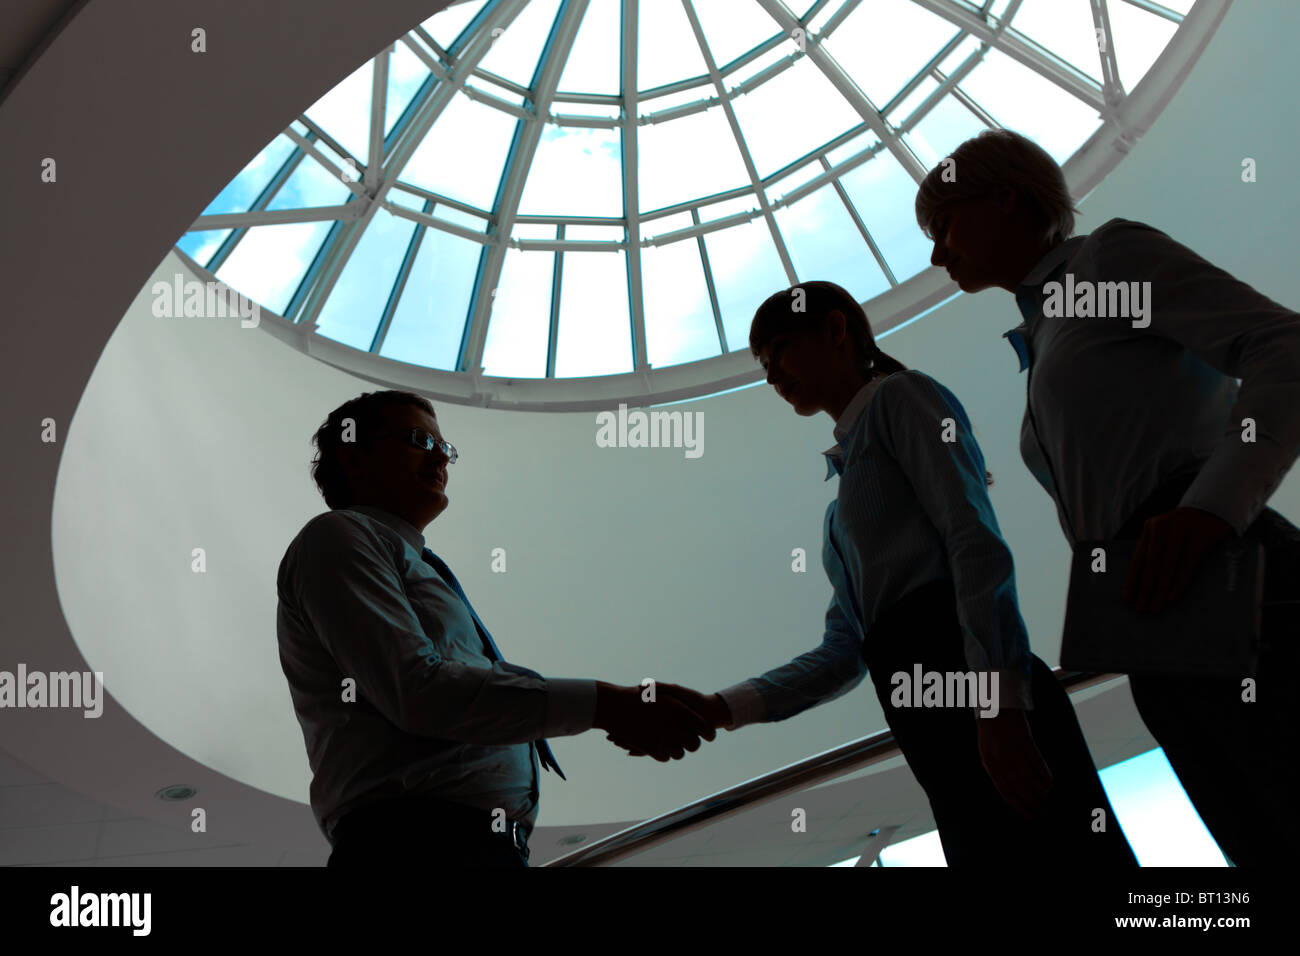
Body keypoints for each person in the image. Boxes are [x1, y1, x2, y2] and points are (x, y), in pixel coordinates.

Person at [643, 281, 1136, 867]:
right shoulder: (836, 518)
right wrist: (720, 707)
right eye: (763, 364)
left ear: (834, 331)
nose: (771, 373)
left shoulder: (902, 397)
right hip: (923, 716)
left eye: (778, 349)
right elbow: (843, 655)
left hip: (970, 685)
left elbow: (973, 540)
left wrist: (997, 703)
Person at [914, 127, 1300, 866]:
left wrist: (1210, 508)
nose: (937, 253)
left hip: (1218, 567)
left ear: (1004, 199)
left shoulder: (1108, 258)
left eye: (945, 225)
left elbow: (1284, 346)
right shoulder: (1046, 332)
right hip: (1148, 610)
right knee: (1249, 819)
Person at [276, 390, 713, 867]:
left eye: (446, 448)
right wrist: (605, 704)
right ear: (353, 457)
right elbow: (417, 690)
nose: (441, 457)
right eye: (420, 439)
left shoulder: (415, 562)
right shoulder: (339, 536)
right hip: (410, 843)